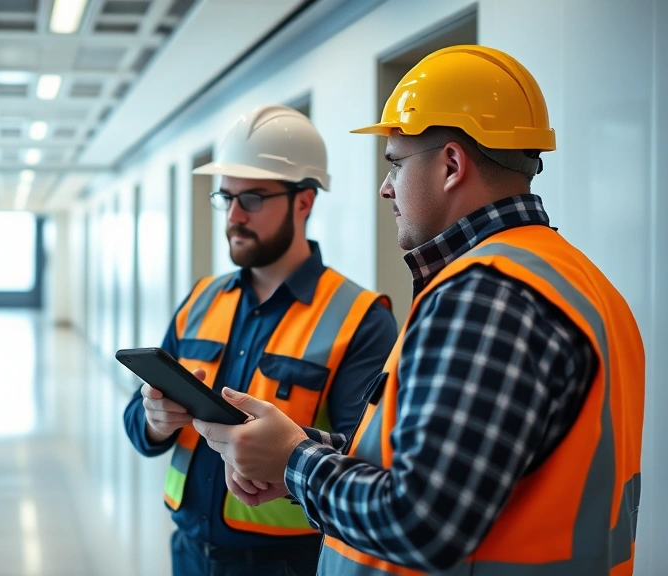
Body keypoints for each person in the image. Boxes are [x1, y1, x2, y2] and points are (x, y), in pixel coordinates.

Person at [193, 45, 645, 575]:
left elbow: (420, 521)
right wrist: (296, 447)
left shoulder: (486, 295)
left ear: (452, 164)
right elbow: (448, 466)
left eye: (396, 164)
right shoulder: (575, 279)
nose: (386, 187)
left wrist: (294, 462)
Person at [122, 104, 397, 576]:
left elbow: (364, 463)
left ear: (304, 201)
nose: (233, 215)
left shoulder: (361, 318)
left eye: (251, 198)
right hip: (188, 553)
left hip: (284, 564)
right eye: (225, 197)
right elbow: (137, 422)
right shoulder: (201, 299)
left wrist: (285, 457)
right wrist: (155, 421)